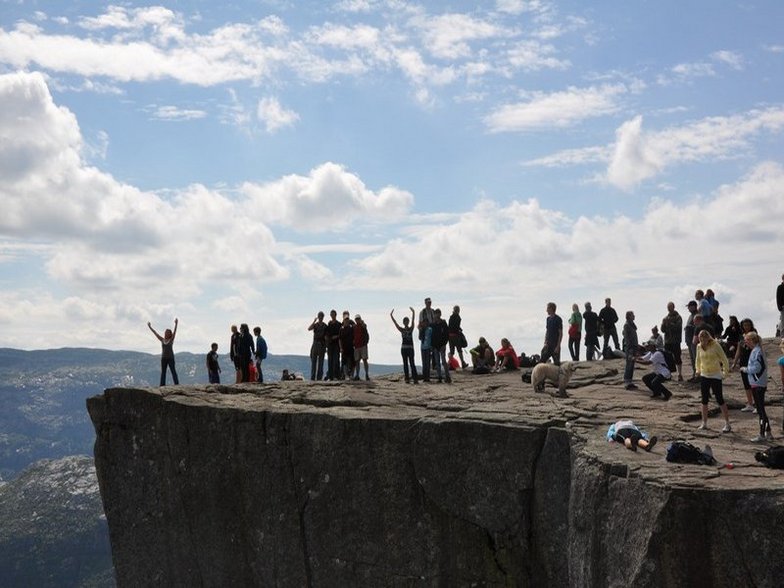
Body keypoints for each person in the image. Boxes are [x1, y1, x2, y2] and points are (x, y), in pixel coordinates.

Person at [695, 330, 732, 432]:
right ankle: (704, 423)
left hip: (715, 374)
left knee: (719, 398)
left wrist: (725, 373)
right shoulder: (698, 346)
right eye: (701, 337)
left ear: (708, 337)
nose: (703, 339)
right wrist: (697, 370)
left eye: (704, 337)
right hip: (704, 374)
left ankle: (727, 423)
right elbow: (698, 359)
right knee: (704, 399)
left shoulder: (715, 345)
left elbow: (724, 359)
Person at [741, 332, 772, 442]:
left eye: (747, 340)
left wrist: (746, 370)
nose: (746, 343)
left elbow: (758, 368)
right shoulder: (756, 351)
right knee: (761, 410)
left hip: (758, 383)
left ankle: (762, 434)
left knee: (760, 411)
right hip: (757, 383)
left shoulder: (757, 351)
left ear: (752, 340)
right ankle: (768, 432)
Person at [731, 318, 757, 413]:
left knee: (754, 383)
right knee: (746, 384)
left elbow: (758, 347)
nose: (746, 327)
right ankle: (750, 404)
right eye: (744, 325)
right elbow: (738, 349)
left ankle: (757, 404)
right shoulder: (741, 336)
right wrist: (734, 362)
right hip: (743, 361)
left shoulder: (754, 334)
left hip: (753, 360)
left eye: (748, 325)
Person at [391, 307, 418, 384]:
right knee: (405, 363)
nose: (406, 322)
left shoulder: (411, 329)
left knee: (412, 363)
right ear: (403, 322)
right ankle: (407, 378)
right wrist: (391, 316)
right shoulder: (402, 329)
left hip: (410, 348)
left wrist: (413, 312)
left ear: (408, 322)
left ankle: (415, 378)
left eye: (407, 321)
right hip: (404, 348)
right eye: (405, 321)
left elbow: (413, 321)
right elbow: (395, 323)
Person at [148, 318, 179, 386]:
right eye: (165, 332)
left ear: (169, 334)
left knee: (173, 371)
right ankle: (162, 385)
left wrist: (176, 324)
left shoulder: (171, 340)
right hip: (164, 358)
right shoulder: (162, 340)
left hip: (170, 358)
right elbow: (155, 333)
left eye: (167, 332)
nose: (166, 333)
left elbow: (175, 332)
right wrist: (150, 327)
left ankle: (176, 384)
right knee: (163, 372)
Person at [660, 301, 683, 381]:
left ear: (673, 307)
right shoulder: (665, 318)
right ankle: (668, 374)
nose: (669, 308)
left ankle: (680, 374)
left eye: (670, 307)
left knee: (677, 357)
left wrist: (669, 324)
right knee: (667, 358)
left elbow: (678, 327)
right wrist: (663, 324)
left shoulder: (678, 317)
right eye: (668, 307)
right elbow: (662, 330)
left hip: (675, 341)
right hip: (667, 341)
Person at [430, 309, 452, 383]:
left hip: (442, 345)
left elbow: (447, 334)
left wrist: (445, 344)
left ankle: (447, 376)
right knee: (437, 362)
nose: (437, 315)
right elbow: (432, 336)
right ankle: (439, 377)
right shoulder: (433, 324)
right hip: (435, 346)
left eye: (438, 314)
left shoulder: (443, 323)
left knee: (443, 361)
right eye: (436, 314)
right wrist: (432, 345)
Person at [308, 311, 327, 381]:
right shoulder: (315, 325)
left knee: (321, 362)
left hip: (322, 344)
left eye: (322, 316)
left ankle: (319, 378)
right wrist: (314, 321)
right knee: (313, 361)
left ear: (323, 317)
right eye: (319, 316)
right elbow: (309, 328)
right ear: (318, 317)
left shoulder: (325, 326)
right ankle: (312, 377)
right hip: (315, 343)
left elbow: (326, 337)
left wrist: (325, 347)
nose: (320, 317)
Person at [622, 310, 638, 390]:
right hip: (630, 348)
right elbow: (627, 338)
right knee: (629, 365)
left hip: (634, 347)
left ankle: (630, 381)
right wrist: (629, 348)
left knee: (632, 365)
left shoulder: (632, 325)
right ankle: (626, 381)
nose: (634, 316)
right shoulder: (626, 325)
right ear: (629, 316)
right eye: (632, 315)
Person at [418, 297, 436, 369]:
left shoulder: (433, 311)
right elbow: (420, 323)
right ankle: (427, 367)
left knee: (433, 348)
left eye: (430, 302)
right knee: (426, 350)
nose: (429, 304)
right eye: (428, 302)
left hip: (432, 331)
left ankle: (433, 365)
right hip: (425, 331)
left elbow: (434, 321)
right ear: (425, 303)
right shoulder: (422, 312)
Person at [325, 310, 342, 380]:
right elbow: (326, 334)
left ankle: (336, 376)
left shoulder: (339, 324)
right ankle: (330, 376)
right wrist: (326, 342)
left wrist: (337, 336)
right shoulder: (329, 324)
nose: (332, 316)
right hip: (330, 344)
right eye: (331, 314)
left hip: (337, 345)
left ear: (336, 315)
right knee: (330, 361)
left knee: (336, 361)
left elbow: (341, 334)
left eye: (333, 314)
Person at [684, 300, 698, 380]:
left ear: (693, 306)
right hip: (689, 341)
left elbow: (698, 327)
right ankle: (694, 374)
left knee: (696, 358)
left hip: (694, 341)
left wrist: (689, 327)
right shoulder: (691, 315)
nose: (688, 308)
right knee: (692, 359)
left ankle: (698, 375)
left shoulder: (697, 315)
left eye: (689, 306)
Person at [352, 314, 370, 381]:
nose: (357, 320)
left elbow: (365, 328)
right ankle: (357, 375)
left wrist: (363, 323)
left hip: (362, 345)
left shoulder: (363, 326)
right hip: (356, 346)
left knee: (364, 360)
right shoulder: (354, 327)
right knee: (357, 361)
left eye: (358, 319)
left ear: (360, 319)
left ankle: (367, 374)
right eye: (356, 319)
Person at [339, 312, 355, 380]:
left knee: (352, 362)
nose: (347, 320)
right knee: (344, 362)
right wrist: (341, 348)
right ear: (343, 320)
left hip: (351, 347)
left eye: (347, 319)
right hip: (344, 348)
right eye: (345, 319)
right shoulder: (341, 329)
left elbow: (354, 336)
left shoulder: (352, 328)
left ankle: (351, 374)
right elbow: (339, 339)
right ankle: (346, 375)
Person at [419, 318, 433, 382]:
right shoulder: (422, 330)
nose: (425, 324)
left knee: (427, 363)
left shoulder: (430, 329)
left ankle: (427, 377)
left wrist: (431, 347)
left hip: (428, 347)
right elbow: (419, 338)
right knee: (424, 363)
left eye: (426, 322)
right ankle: (424, 377)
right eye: (424, 322)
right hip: (422, 347)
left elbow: (432, 338)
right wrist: (421, 330)